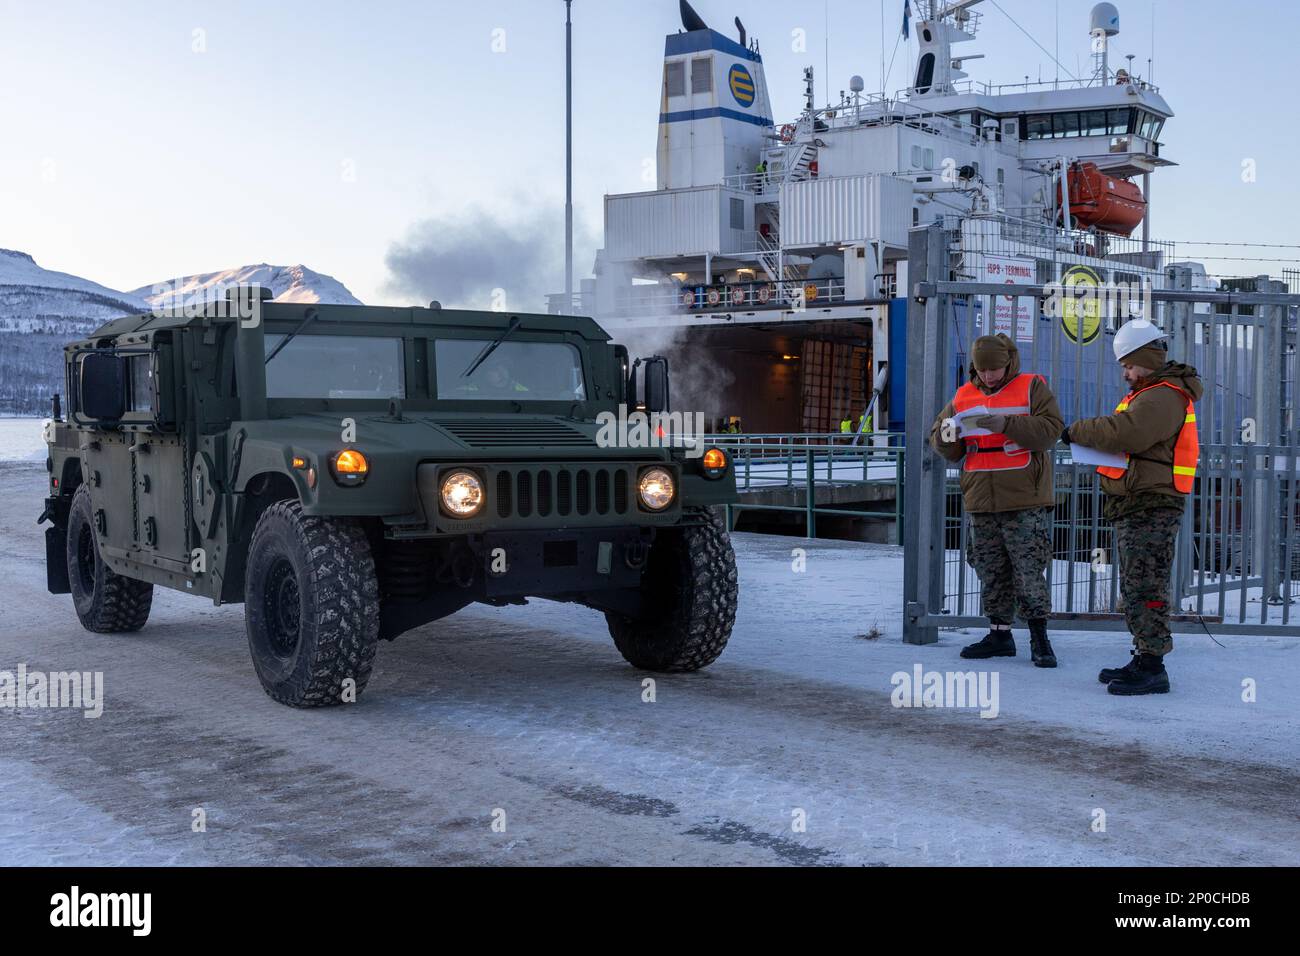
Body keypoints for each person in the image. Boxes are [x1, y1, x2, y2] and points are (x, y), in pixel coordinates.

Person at [1063, 321, 1201, 696]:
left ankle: (1153, 667)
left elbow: (1128, 433)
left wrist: (1077, 431)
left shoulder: (1162, 396)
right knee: (1138, 583)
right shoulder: (1153, 393)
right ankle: (1143, 656)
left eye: (1128, 365)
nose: (1125, 373)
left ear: (1145, 359)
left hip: (1152, 502)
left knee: (1146, 584)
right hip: (1141, 500)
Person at [930, 333, 1065, 667]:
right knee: (990, 569)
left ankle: (1039, 638)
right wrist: (952, 433)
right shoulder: (963, 395)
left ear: (1009, 362)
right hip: (981, 497)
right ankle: (999, 634)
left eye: (995, 369)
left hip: (1023, 497)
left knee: (1028, 569)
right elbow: (941, 439)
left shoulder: (1032, 387)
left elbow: (1051, 430)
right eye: (983, 370)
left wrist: (1007, 424)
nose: (989, 375)